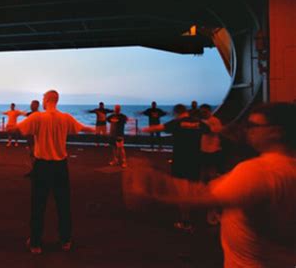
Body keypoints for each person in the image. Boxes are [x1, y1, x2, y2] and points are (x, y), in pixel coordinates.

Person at [125, 102, 296, 268]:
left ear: (275, 132)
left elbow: (201, 195)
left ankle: (185, 221)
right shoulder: (286, 167)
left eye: (253, 125)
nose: (248, 130)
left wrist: (147, 182)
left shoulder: (257, 171)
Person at [16, 90, 94, 254]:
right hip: (60, 167)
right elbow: (82, 128)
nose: (42, 100)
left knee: (38, 205)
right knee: (63, 204)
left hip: (42, 166)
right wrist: (97, 130)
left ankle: (36, 243)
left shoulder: (37, 117)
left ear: (48, 99)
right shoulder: (65, 117)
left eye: (43, 97)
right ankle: (65, 240)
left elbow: (18, 128)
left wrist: (11, 123)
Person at [142, 104, 210, 231]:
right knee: (192, 187)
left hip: (181, 160)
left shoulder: (177, 122)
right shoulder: (199, 123)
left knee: (181, 191)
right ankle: (201, 212)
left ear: (176, 113)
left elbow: (159, 127)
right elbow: (211, 130)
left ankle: (185, 220)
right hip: (195, 159)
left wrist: (144, 129)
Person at [199, 104, 223, 181]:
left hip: (213, 148)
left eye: (205, 112)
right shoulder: (201, 121)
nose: (203, 113)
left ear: (209, 111)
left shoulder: (215, 120)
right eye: (202, 112)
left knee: (212, 170)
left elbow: (218, 130)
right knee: (203, 169)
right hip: (203, 148)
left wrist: (207, 128)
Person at [24, 100, 40, 177]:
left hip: (36, 137)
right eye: (31, 104)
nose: (31, 106)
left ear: (37, 106)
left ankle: (36, 171)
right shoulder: (29, 114)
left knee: (36, 154)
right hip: (29, 136)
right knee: (31, 153)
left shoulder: (40, 115)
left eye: (33, 105)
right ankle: (33, 170)